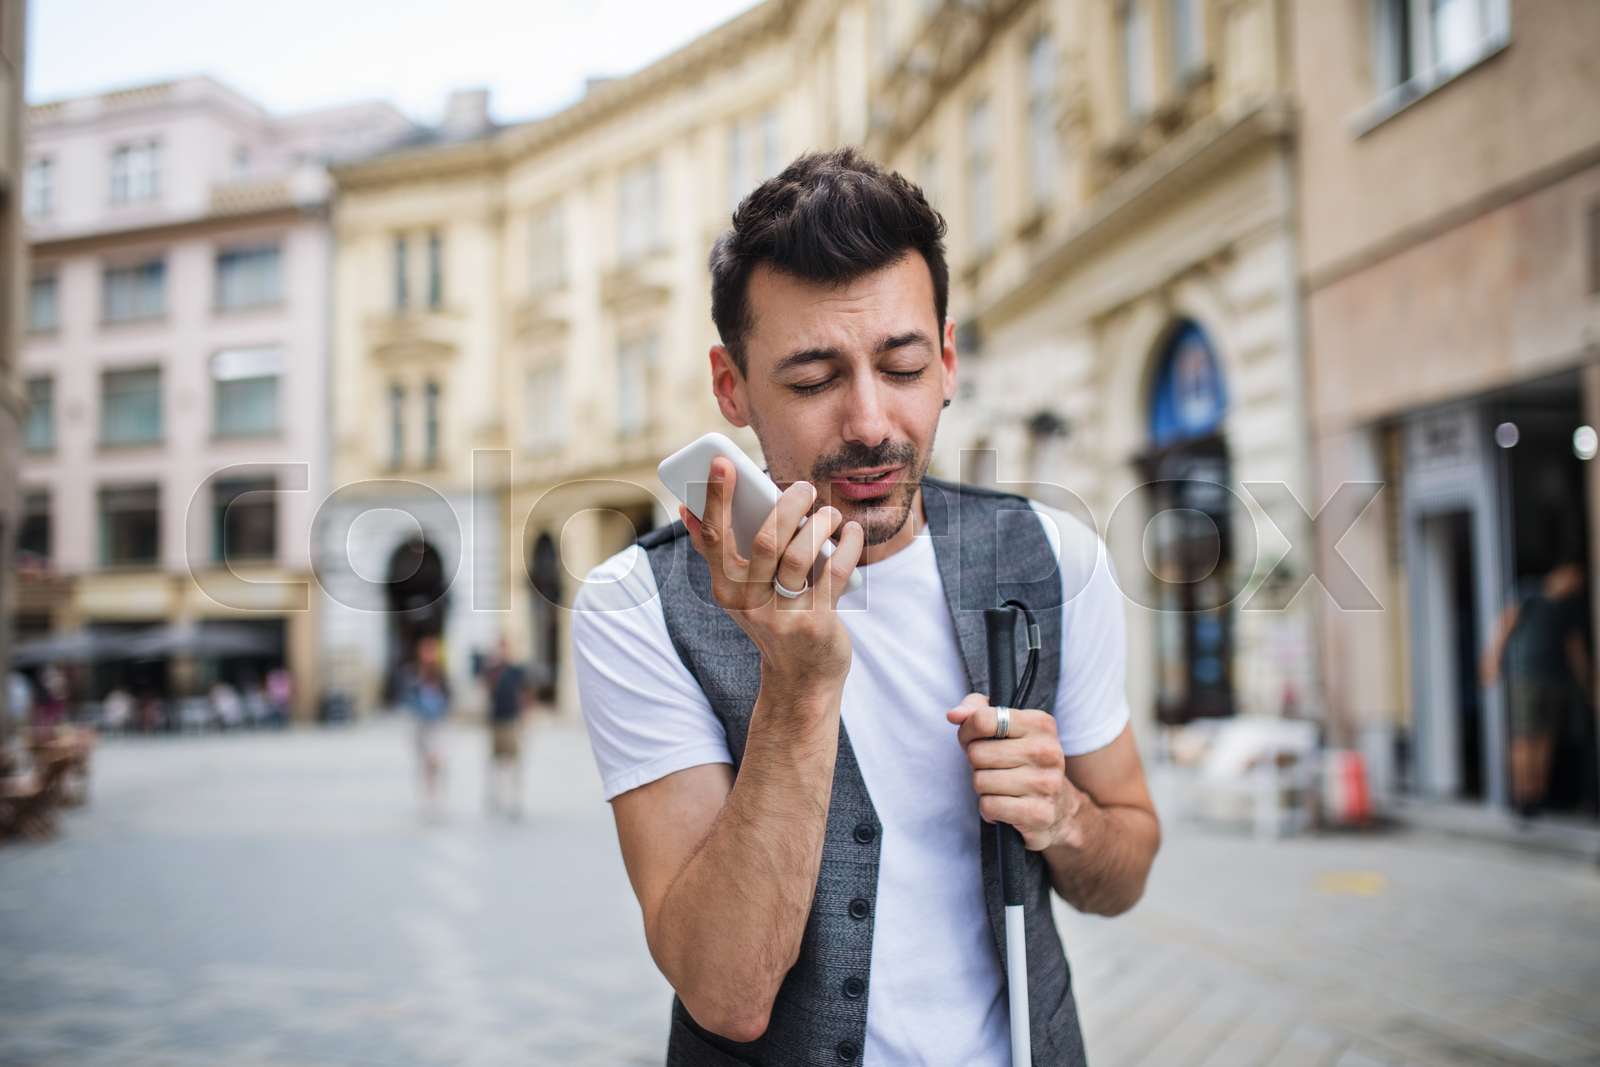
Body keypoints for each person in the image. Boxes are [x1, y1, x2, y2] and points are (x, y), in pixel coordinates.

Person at [572, 149, 1160, 1066]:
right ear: (732, 387)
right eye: (812, 380)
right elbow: (725, 992)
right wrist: (801, 685)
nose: (872, 421)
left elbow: (1125, 870)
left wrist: (1066, 818)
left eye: (902, 364)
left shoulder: (1055, 557)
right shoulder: (634, 608)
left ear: (949, 359)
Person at [1482, 542, 1592, 819]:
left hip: (1554, 678)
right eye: (1576, 578)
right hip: (1524, 676)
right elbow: (1503, 627)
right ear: (1565, 572)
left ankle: (1536, 796)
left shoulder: (1569, 608)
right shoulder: (1529, 591)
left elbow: (1574, 647)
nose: (1577, 585)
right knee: (1523, 737)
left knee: (1545, 738)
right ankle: (1520, 796)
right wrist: (1491, 662)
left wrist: (1588, 683)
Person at [401, 636, 452, 821]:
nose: (429, 655)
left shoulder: (442, 674)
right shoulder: (414, 674)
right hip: (421, 725)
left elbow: (449, 697)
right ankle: (426, 800)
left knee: (438, 763)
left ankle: (438, 800)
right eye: (426, 650)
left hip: (437, 725)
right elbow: (408, 700)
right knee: (423, 764)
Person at [482, 638, 532, 820]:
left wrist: (525, 718)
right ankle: (497, 796)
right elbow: (486, 690)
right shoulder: (492, 670)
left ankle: (514, 799)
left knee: (513, 761)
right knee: (495, 762)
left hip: (511, 719)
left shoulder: (515, 670)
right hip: (496, 720)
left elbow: (525, 693)